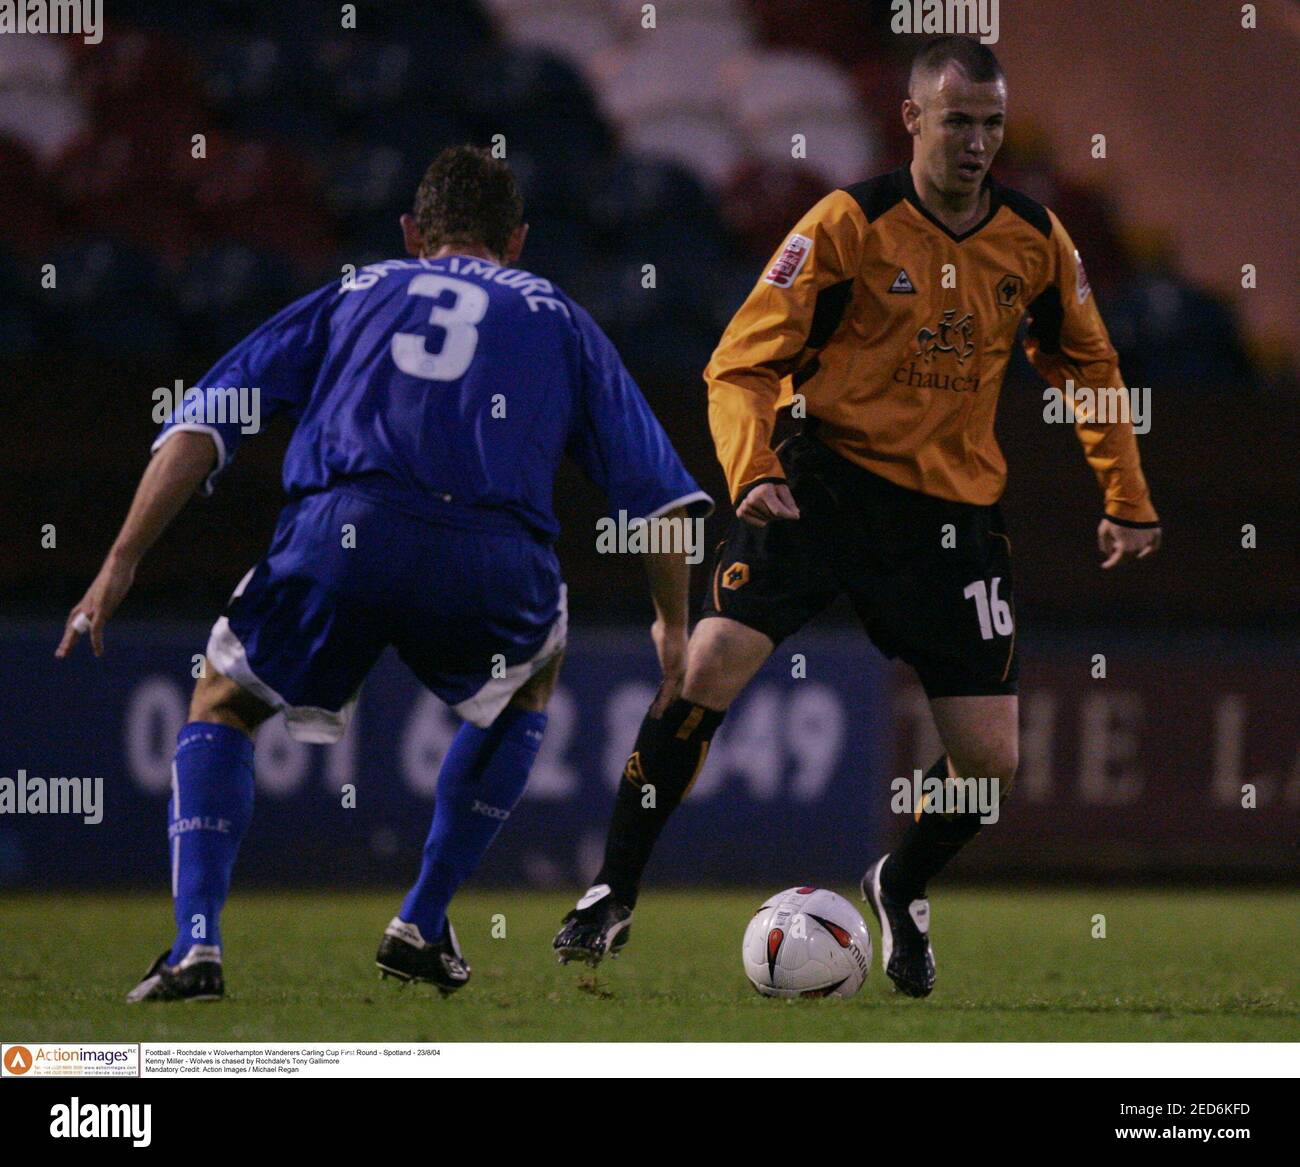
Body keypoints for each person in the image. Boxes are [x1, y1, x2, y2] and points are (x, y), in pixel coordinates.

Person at [554, 37, 1162, 998]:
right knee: (707, 662)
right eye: (958, 121)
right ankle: (610, 889)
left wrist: (1126, 496)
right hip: (818, 485)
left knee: (990, 764)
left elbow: (1088, 365)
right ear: (913, 119)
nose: (977, 143)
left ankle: (900, 882)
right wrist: (751, 469)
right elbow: (739, 362)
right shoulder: (849, 222)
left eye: (993, 125)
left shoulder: (1036, 239)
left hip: (952, 521)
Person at [57, 145, 710, 1001]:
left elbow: (205, 424)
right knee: (527, 681)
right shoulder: (560, 316)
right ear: (516, 241)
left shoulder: (355, 288)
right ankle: (422, 917)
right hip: (489, 555)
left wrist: (119, 562)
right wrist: (672, 622)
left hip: (341, 529)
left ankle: (196, 945)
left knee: (225, 696)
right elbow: (658, 501)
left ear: (411, 234)